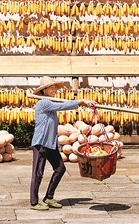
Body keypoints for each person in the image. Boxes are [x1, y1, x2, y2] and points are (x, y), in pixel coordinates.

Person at [29, 76, 96, 210]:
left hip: (50, 143)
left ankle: (49, 197)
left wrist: (56, 144)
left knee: (60, 169)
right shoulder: (43, 103)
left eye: (55, 87)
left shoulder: (49, 103)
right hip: (41, 143)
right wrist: (81, 101)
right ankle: (34, 202)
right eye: (52, 87)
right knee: (38, 173)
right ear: (44, 90)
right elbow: (62, 106)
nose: (54, 90)